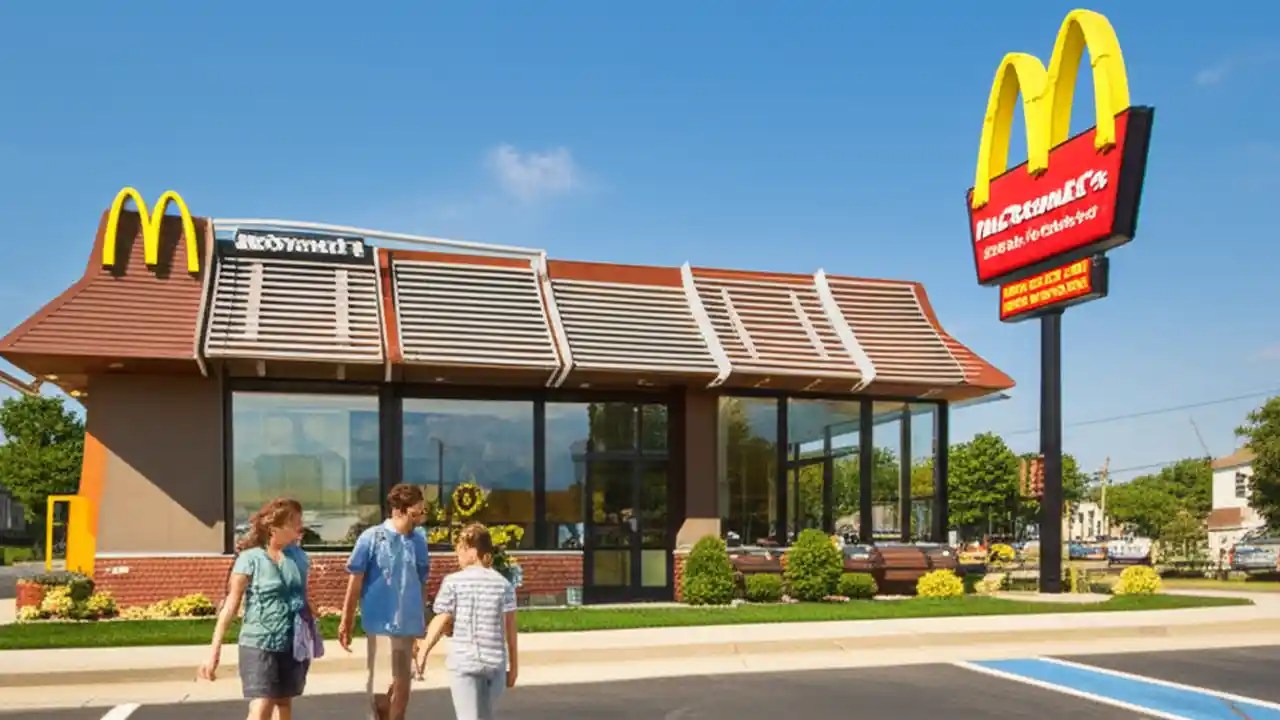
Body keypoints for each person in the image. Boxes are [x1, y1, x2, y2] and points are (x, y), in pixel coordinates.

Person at [200, 498, 314, 720]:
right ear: (274, 528)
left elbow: (301, 596)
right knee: (262, 705)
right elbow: (230, 606)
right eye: (294, 521)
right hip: (258, 643)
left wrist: (311, 622)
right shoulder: (249, 559)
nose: (300, 526)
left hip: (292, 642)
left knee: (284, 704)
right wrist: (214, 652)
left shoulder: (299, 558)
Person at [339, 483, 430, 720]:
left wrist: (422, 622)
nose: (420, 516)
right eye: (416, 511)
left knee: (402, 686)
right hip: (379, 623)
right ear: (399, 510)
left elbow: (422, 581)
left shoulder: (419, 540)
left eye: (422, 511)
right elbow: (355, 581)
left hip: (407, 624)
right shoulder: (371, 538)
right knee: (380, 692)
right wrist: (346, 620)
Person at [414, 523, 519, 720]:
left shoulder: (453, 582)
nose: (458, 559)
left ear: (471, 551)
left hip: (465, 663)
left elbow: (442, 618)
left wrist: (423, 650)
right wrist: (513, 667)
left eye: (459, 553)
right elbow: (510, 629)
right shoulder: (503, 585)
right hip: (495, 665)